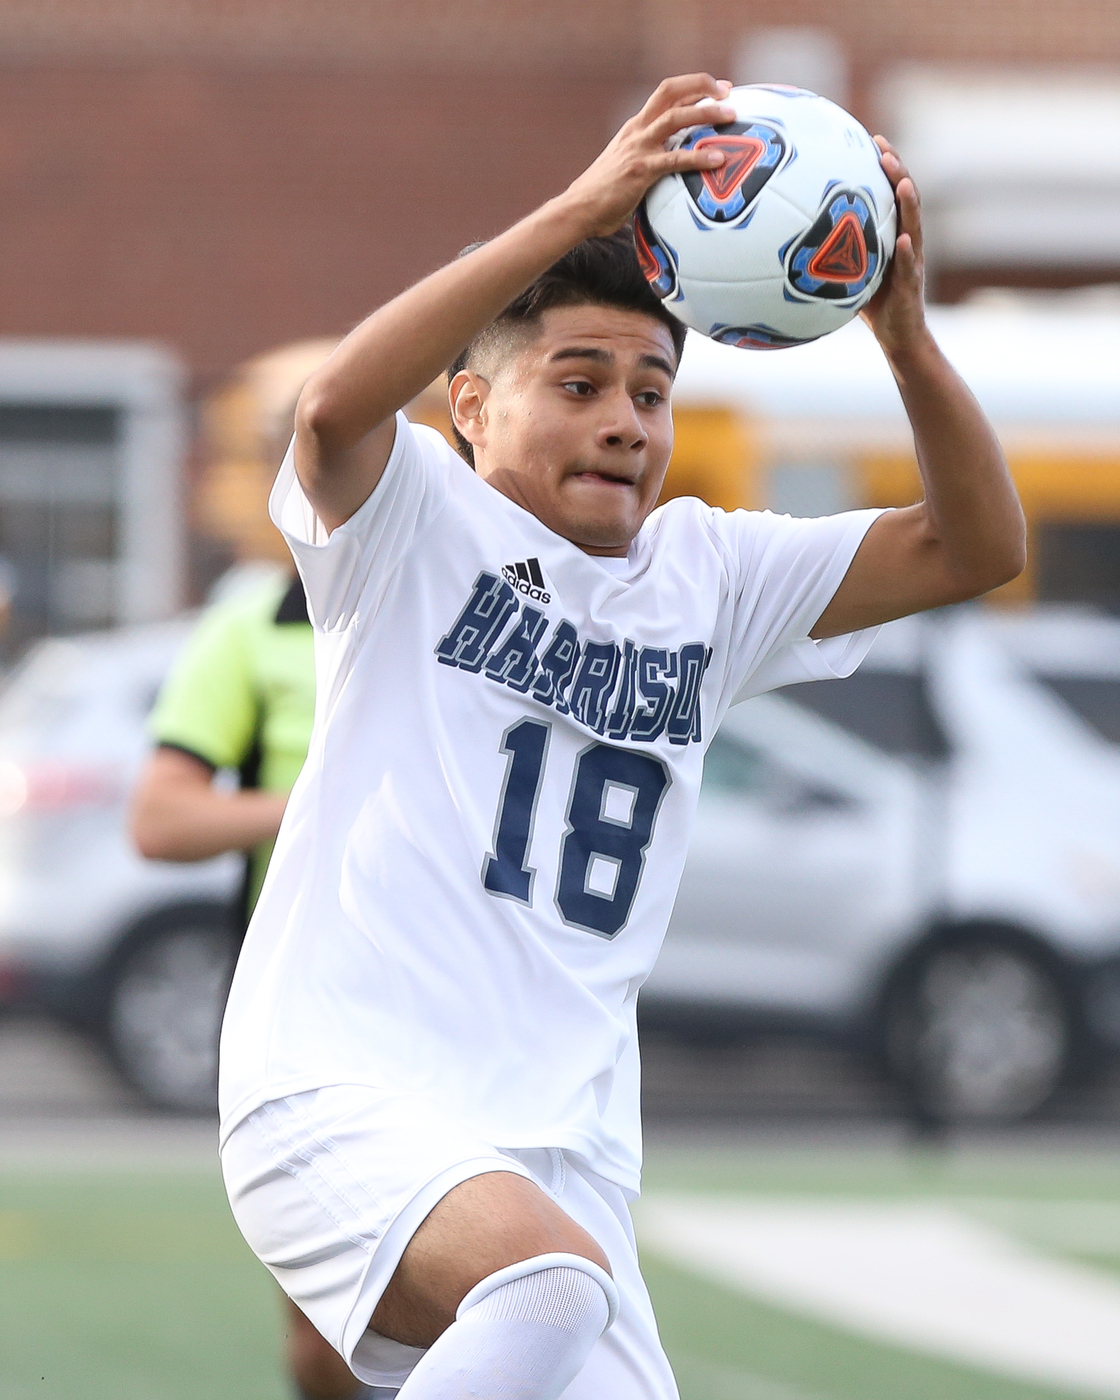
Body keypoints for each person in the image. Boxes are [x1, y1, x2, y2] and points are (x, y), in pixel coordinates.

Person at [217, 73, 1025, 1399]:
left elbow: (977, 545)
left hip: (568, 1152)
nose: (622, 420)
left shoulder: (708, 576)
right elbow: (331, 413)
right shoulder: (416, 518)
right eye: (577, 380)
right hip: (344, 1087)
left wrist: (907, 340)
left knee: (559, 1285)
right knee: (544, 1285)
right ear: (471, 411)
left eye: (650, 393)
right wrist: (582, 206)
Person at [132, 560, 387, 1400]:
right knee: (329, 1345)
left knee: (505, 1303)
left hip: (465, 999)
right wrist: (319, 802)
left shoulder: (473, 591)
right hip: (307, 1010)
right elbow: (158, 820)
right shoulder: (252, 627)